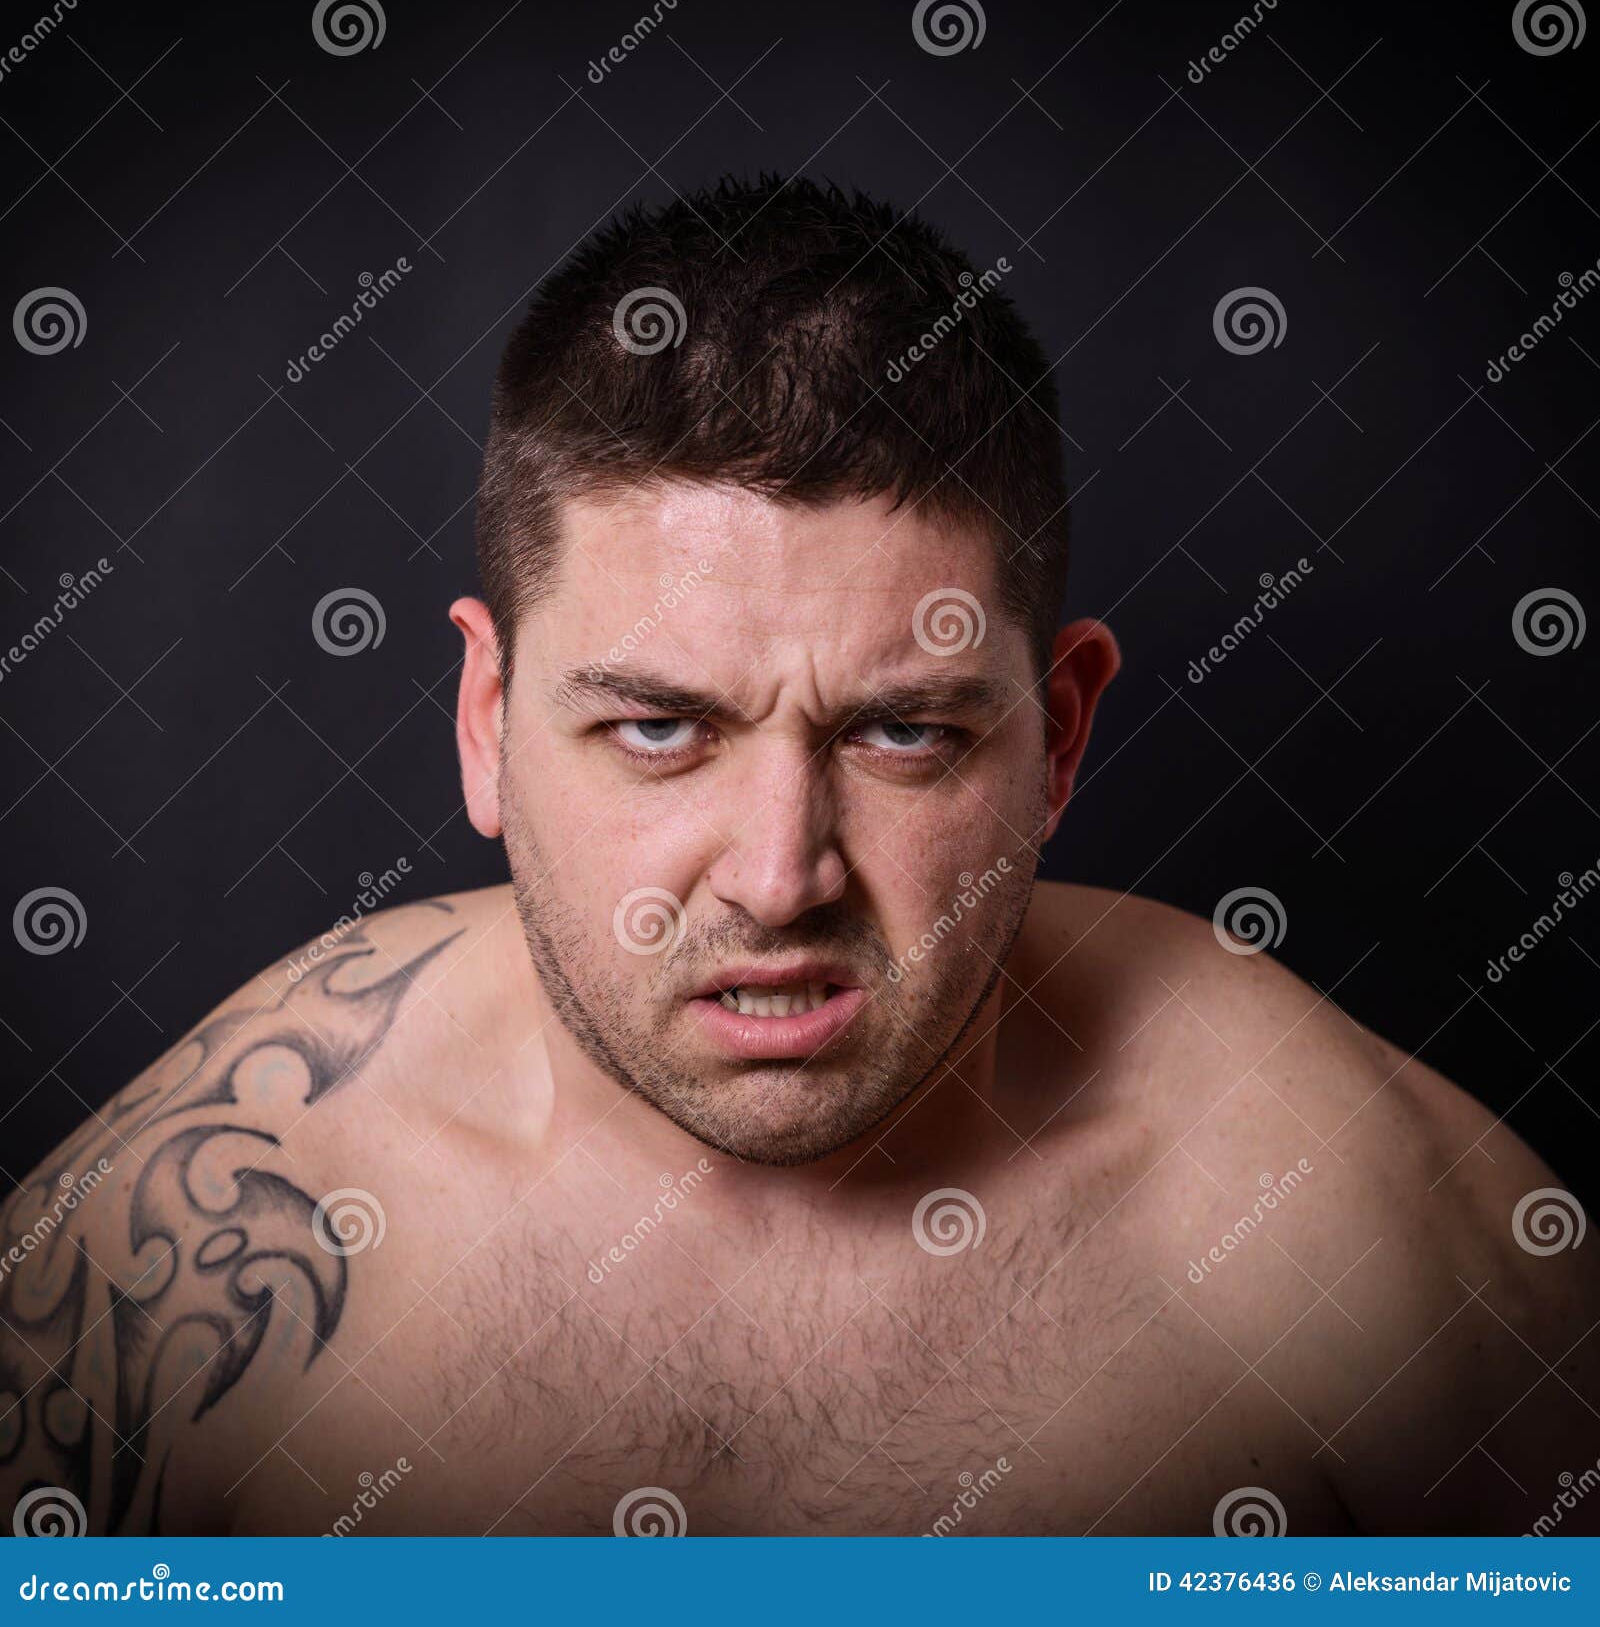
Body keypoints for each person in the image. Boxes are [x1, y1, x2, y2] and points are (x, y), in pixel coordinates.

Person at [3, 176, 1595, 1538]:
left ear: (1062, 734)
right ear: (487, 719)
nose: (779, 877)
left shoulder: (1358, 1242)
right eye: (657, 729)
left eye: (903, 735)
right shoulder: (188, 1251)